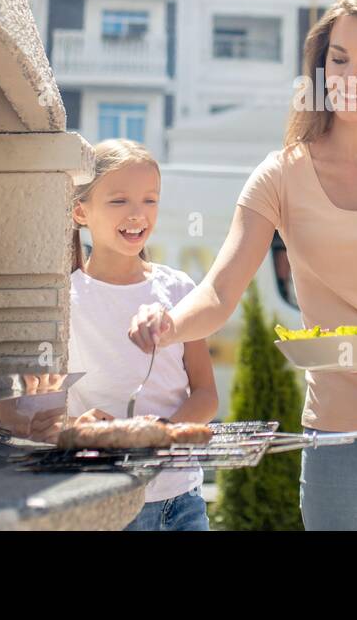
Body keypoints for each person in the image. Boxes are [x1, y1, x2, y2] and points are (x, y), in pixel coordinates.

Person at [126, 0, 357, 530]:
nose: (351, 76)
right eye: (338, 60)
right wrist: (169, 323)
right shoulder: (280, 175)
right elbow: (221, 292)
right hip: (336, 438)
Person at [68, 139, 218, 531]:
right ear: (80, 211)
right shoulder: (65, 301)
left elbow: (205, 395)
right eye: (119, 201)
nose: (138, 214)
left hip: (182, 500)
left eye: (149, 200)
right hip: (105, 504)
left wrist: (158, 439)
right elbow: (45, 415)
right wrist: (77, 425)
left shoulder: (179, 290)